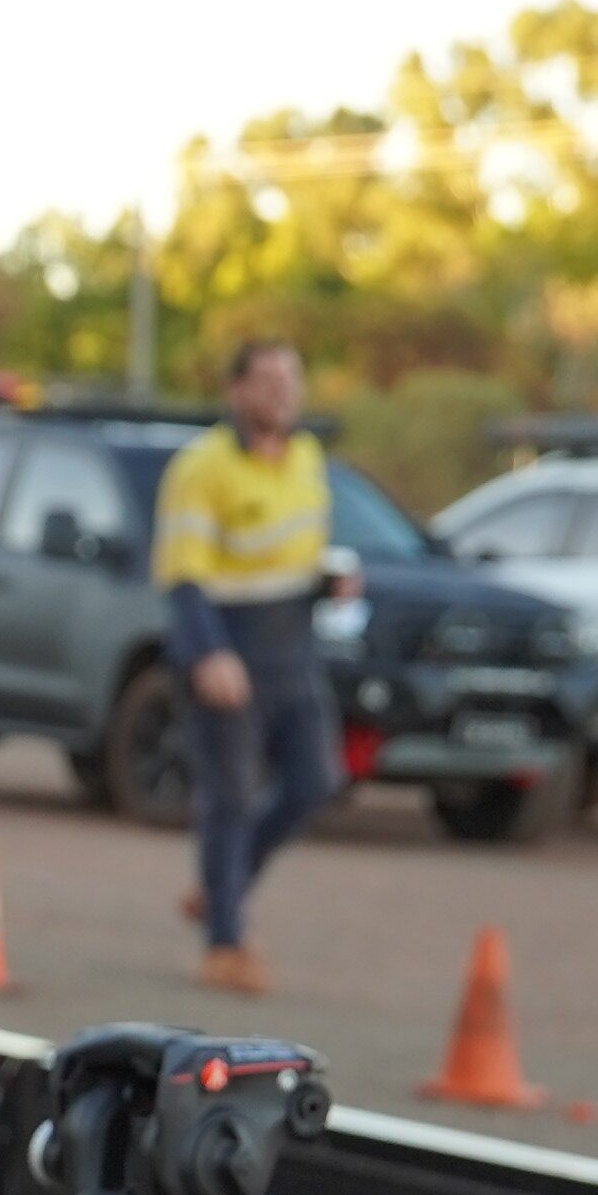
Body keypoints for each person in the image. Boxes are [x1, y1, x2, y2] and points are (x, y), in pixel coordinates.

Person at [154, 339, 346, 996]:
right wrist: (209, 652)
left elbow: (291, 556)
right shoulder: (201, 467)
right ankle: (226, 942)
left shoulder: (307, 458)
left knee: (315, 782)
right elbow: (185, 575)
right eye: (266, 380)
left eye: (290, 378)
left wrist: (330, 582)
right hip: (228, 652)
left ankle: (220, 890)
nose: (281, 393)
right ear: (237, 390)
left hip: (291, 650)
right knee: (230, 798)